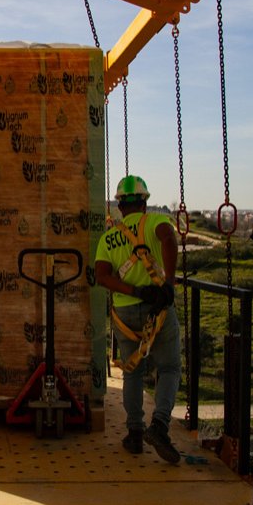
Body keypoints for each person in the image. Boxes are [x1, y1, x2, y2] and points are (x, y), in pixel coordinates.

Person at [93, 175, 181, 463]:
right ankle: (159, 425)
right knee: (168, 367)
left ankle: (134, 434)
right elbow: (168, 236)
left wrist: (134, 290)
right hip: (159, 310)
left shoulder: (109, 237)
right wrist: (168, 281)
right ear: (144, 201)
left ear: (120, 204)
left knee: (133, 372)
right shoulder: (154, 222)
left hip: (126, 312)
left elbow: (102, 276)